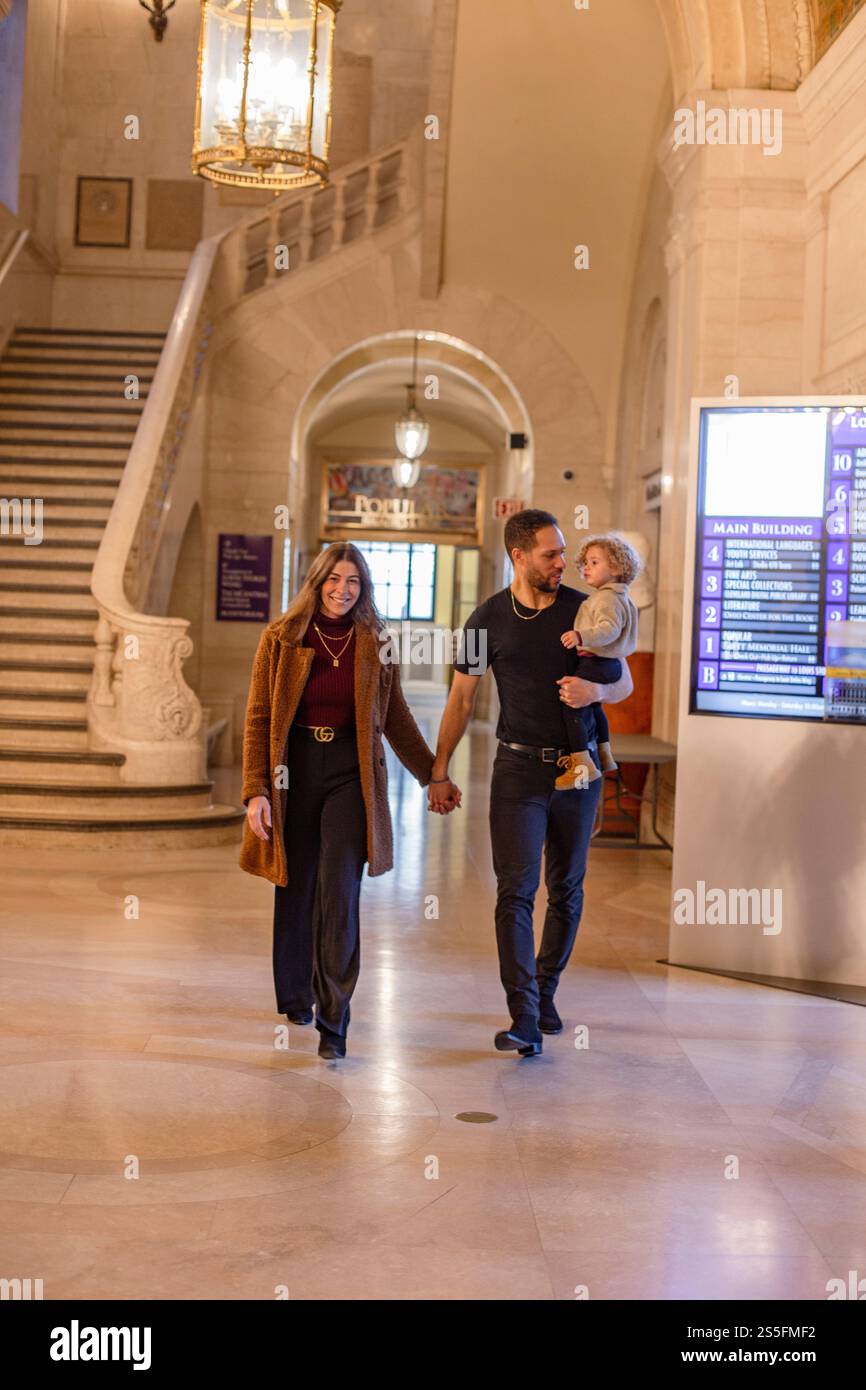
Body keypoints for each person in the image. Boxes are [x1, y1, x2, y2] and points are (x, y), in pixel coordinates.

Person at [239, 541, 460, 1060]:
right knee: (294, 883)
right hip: (291, 772)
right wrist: (255, 791)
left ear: (364, 589)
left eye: (353, 582)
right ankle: (296, 993)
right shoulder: (281, 637)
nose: (343, 590)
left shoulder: (375, 640)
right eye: (334, 580)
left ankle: (334, 1018)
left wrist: (434, 775)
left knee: (339, 889)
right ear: (317, 583)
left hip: (349, 773)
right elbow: (258, 717)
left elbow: (397, 716)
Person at [428, 509, 633, 1057]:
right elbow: (461, 698)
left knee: (566, 887)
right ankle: (522, 1013)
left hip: (578, 767)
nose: (563, 563)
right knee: (515, 892)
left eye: (565, 552)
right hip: (517, 769)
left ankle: (546, 991)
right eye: (551, 554)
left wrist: (597, 694)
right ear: (518, 556)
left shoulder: (584, 609)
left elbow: (624, 679)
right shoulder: (484, 621)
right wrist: (439, 769)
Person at [555, 533, 641, 790]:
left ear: (615, 567)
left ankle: (582, 763)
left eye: (594, 562)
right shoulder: (620, 597)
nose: (586, 568)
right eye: (585, 563)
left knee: (572, 707)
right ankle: (604, 754)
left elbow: (609, 629)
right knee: (594, 708)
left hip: (597, 661)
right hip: (609, 664)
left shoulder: (606, 598)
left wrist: (581, 635)